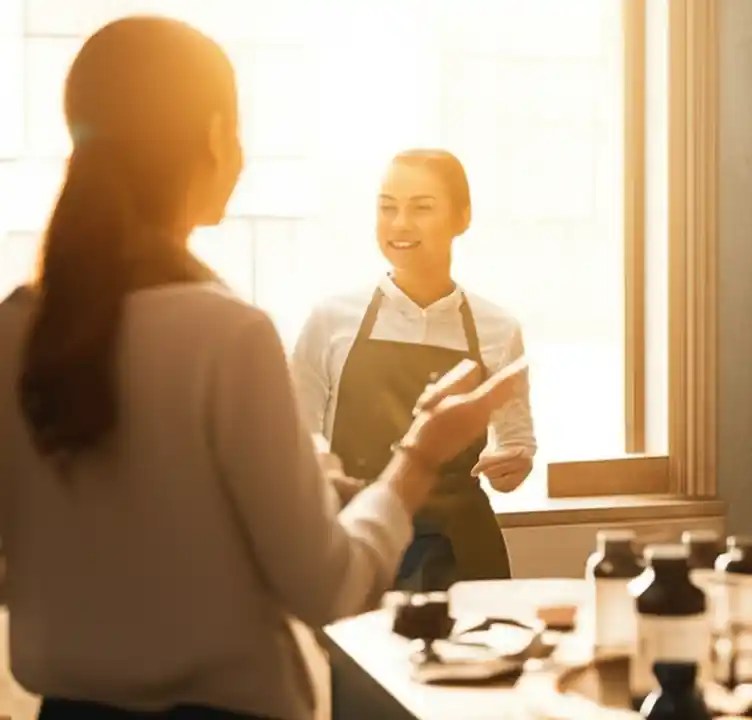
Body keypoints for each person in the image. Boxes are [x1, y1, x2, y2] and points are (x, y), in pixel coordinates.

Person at [0, 17, 523, 720]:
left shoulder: (16, 325)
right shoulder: (227, 335)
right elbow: (328, 588)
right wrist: (420, 453)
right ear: (214, 136)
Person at [292, 149, 536, 591]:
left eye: (421, 208)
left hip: (463, 555)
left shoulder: (498, 328)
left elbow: (516, 448)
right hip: (361, 544)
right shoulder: (331, 319)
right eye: (388, 207)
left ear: (463, 217)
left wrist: (512, 467)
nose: (400, 223)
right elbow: (297, 437)